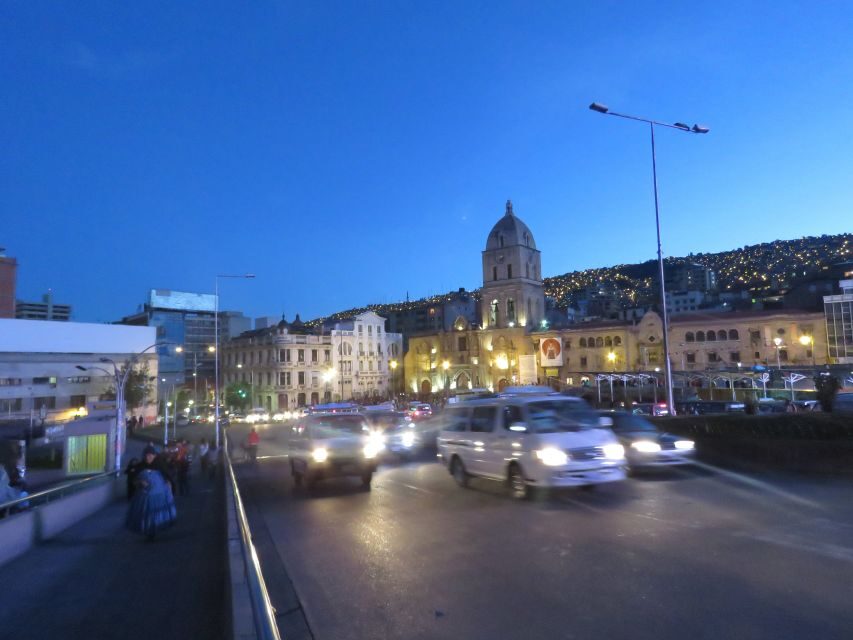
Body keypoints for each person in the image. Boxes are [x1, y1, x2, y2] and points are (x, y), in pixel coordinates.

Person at [126, 445, 177, 540]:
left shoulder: (160, 465)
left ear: (154, 455)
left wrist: (170, 491)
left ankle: (153, 531)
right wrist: (140, 482)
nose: (147, 457)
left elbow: (168, 478)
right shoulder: (140, 466)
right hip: (144, 497)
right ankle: (149, 533)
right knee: (146, 515)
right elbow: (133, 479)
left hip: (158, 496)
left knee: (155, 515)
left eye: (150, 455)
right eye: (146, 455)